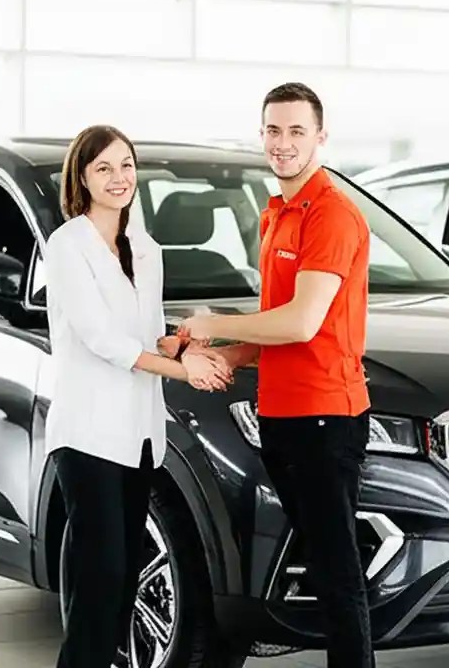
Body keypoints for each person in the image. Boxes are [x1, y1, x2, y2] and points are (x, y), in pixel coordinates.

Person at [178, 82, 375, 667]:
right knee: (320, 561)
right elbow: (276, 330)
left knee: (337, 573)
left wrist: (213, 323)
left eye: (295, 131)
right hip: (281, 415)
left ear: (321, 135)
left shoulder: (332, 215)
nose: (282, 143)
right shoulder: (277, 213)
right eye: (272, 130)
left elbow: (303, 321)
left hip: (325, 417)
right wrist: (235, 353)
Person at [44, 124, 232, 668]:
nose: (119, 177)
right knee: (99, 579)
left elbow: (141, 334)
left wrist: (178, 341)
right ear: (81, 177)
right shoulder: (68, 245)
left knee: (123, 578)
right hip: (88, 436)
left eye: (126, 164)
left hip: (139, 436)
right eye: (103, 167)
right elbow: (102, 340)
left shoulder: (146, 249)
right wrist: (181, 367)